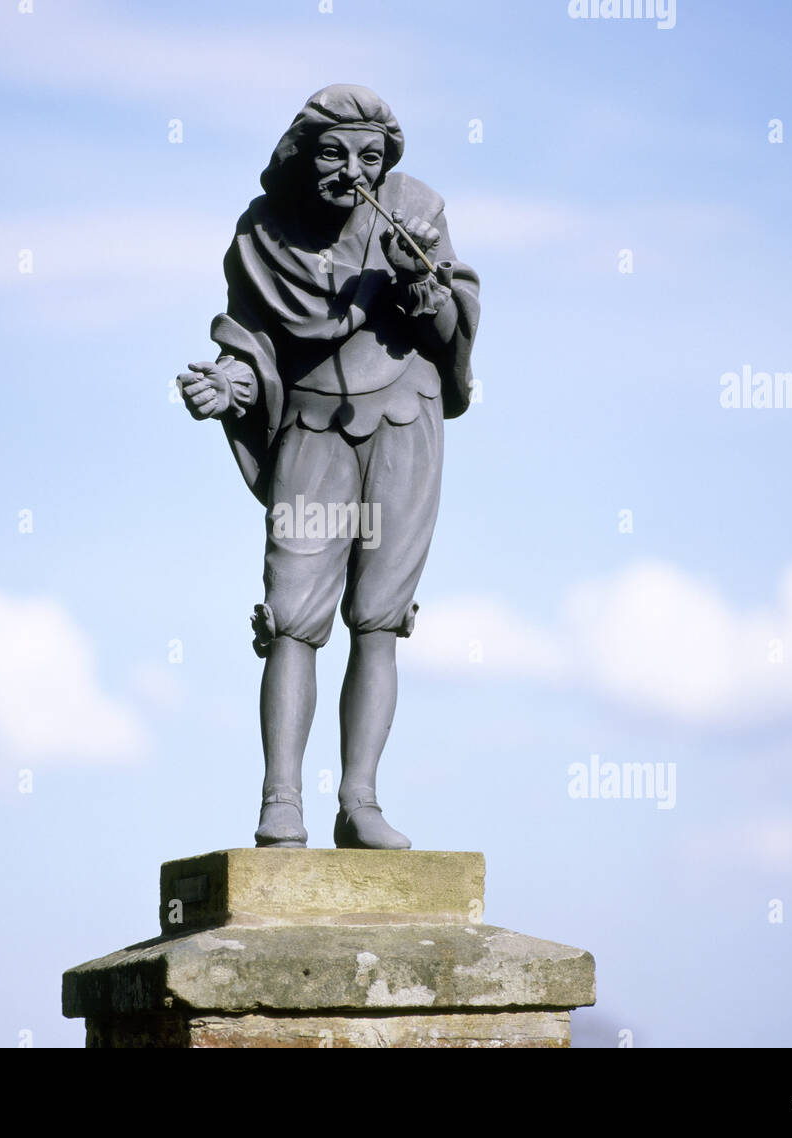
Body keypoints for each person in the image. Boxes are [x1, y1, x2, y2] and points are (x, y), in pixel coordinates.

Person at [176, 84, 479, 849]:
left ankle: (361, 800)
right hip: (312, 424)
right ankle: (282, 800)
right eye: (334, 152)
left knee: (379, 618)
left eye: (369, 156)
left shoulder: (413, 207)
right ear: (302, 153)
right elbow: (252, 343)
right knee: (292, 617)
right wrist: (233, 381)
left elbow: (449, 323)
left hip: (404, 419)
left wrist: (421, 277)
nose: (352, 169)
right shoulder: (265, 233)